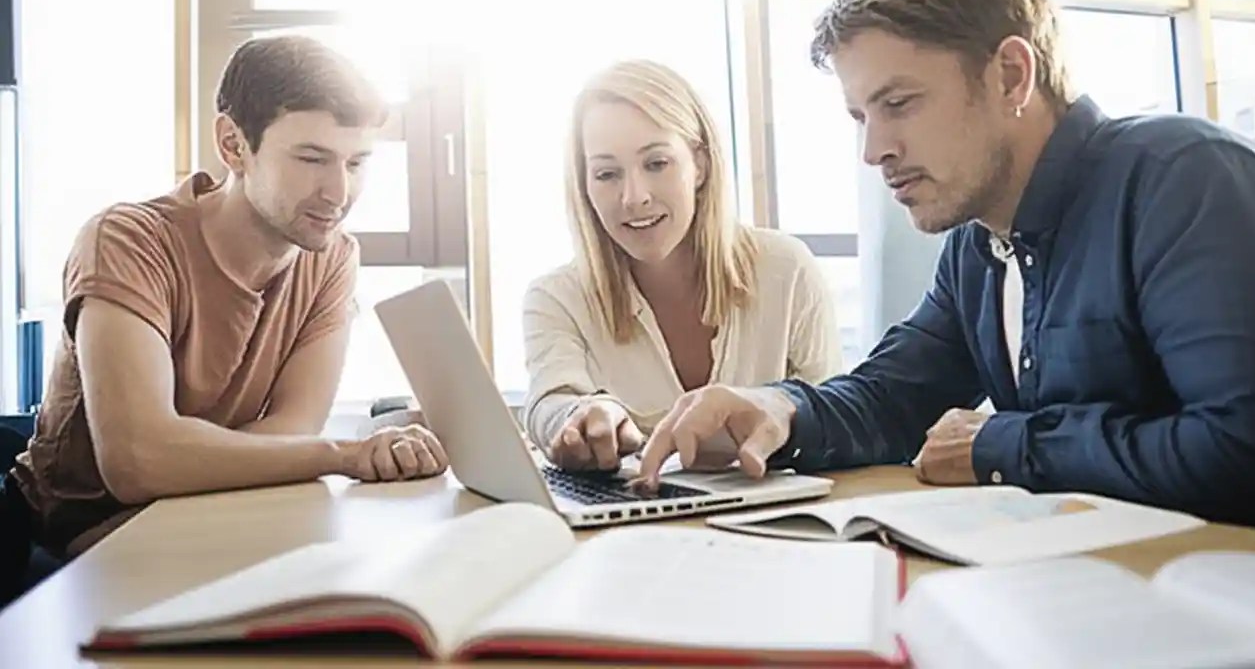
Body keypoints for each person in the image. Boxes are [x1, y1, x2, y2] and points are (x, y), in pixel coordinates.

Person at [636, 0, 1255, 529]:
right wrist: (776, 408)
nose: (874, 150)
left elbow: (1250, 448)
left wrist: (1004, 444)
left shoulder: (1185, 177)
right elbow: (893, 398)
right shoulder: (978, 246)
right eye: (861, 117)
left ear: (1009, 76)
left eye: (900, 104)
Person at [1, 36, 450, 581]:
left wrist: (187, 457)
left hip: (206, 511)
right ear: (234, 144)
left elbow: (292, 427)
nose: (339, 192)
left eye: (357, 162)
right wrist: (345, 454)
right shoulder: (126, 241)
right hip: (65, 536)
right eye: (312, 159)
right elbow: (138, 461)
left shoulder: (331, 255)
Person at [523, 59, 842, 471]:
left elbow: (833, 419)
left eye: (656, 164)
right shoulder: (556, 297)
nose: (633, 198)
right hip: (635, 527)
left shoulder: (786, 269)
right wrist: (578, 418)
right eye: (606, 174)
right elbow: (548, 401)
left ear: (700, 166)